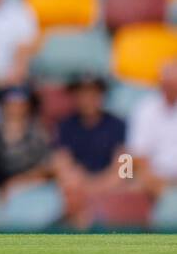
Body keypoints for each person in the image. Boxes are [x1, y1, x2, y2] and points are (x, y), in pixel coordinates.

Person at [53, 74, 128, 221]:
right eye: (83, 93)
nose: (88, 98)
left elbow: (126, 170)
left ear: (102, 95)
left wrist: (95, 187)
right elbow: (61, 164)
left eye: (93, 93)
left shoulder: (119, 125)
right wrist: (82, 186)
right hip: (77, 189)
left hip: (110, 189)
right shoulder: (65, 125)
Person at [0, 88, 53, 192]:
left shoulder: (38, 133)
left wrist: (18, 182)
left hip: (32, 188)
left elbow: (47, 167)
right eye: (11, 104)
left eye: (20, 104)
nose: (15, 108)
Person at [125, 58, 177, 195]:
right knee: (128, 173)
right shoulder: (145, 108)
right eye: (168, 83)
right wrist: (155, 181)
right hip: (153, 179)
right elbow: (138, 154)